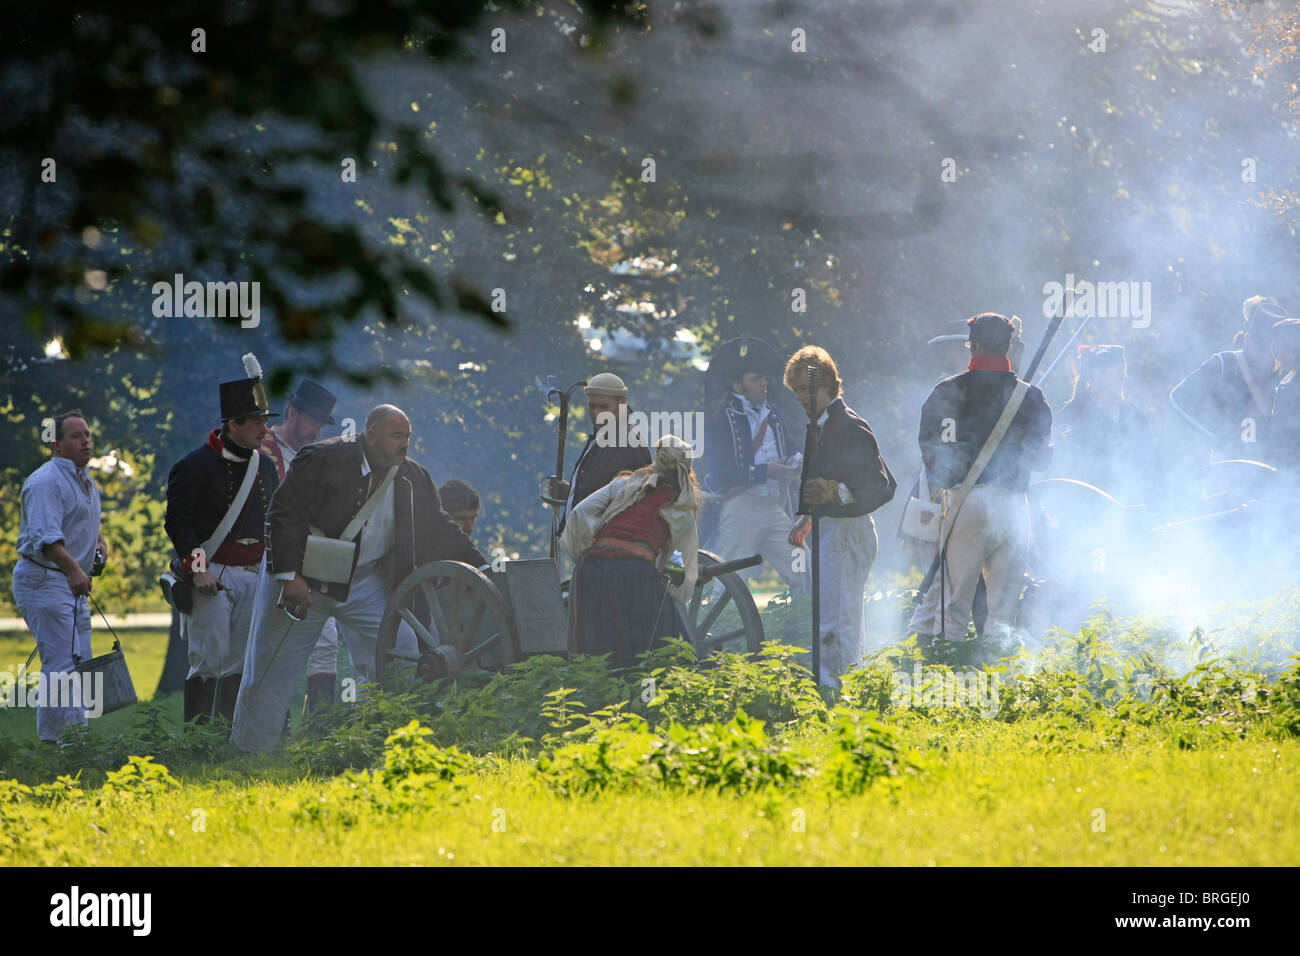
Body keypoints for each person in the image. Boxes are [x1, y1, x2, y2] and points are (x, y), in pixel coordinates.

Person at [232, 404, 485, 752]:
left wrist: (482, 567)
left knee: (401, 653)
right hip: (307, 576)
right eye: (397, 436)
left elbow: (441, 527)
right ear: (371, 434)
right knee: (270, 670)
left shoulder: (413, 476)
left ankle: (393, 743)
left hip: (366, 580)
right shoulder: (321, 459)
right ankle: (249, 753)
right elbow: (283, 514)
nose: (404, 444)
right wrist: (289, 578)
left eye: (408, 437)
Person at [907, 313, 1052, 646]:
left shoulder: (947, 391)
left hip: (966, 501)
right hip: (1015, 506)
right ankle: (999, 681)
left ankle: (949, 676)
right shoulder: (1031, 397)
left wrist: (953, 481)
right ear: (1007, 347)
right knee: (1002, 615)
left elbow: (931, 452)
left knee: (953, 606)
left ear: (976, 345)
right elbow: (1042, 458)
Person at [165, 361, 281, 724]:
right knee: (209, 658)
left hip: (255, 572)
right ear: (233, 425)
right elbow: (178, 523)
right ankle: (198, 741)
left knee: (240, 659)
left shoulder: (265, 467)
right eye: (257, 422)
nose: (265, 429)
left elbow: (273, 522)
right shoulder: (193, 466)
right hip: (210, 571)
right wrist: (198, 570)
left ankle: (232, 736)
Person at [783, 346, 897, 687]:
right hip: (832, 528)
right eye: (798, 390)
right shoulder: (821, 425)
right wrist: (810, 518)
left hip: (848, 532)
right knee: (836, 615)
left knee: (838, 619)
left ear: (829, 385)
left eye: (807, 389)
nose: (802, 397)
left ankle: (838, 691)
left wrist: (836, 493)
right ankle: (845, 685)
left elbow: (880, 486)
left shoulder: (847, 425)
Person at [560, 435, 699, 667]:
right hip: (634, 574)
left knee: (599, 653)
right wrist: (675, 593)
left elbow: (578, 515)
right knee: (672, 648)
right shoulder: (680, 506)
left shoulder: (623, 484)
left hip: (590, 570)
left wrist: (589, 551)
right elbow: (689, 570)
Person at [12, 410, 107, 742]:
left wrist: (98, 542)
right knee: (64, 664)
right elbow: (47, 538)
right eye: (76, 436)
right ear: (56, 444)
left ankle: (59, 741)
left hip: (70, 581)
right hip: (44, 579)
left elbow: (80, 522)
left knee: (76, 665)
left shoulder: (83, 478)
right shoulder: (45, 481)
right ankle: (71, 744)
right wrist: (74, 568)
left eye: (87, 434)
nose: (86, 441)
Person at [260, 379, 342, 714]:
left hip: (313, 561)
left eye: (321, 425)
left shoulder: (320, 456)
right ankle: (270, 728)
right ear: (292, 413)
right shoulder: (261, 449)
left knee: (326, 643)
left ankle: (321, 729)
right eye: (313, 422)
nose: (316, 431)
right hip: (266, 561)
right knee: (267, 649)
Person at [701, 351, 804, 595]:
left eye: (763, 378)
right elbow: (719, 473)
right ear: (738, 385)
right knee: (728, 586)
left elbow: (793, 448)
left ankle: (802, 626)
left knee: (803, 571)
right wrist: (766, 471)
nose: (763, 383)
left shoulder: (773, 415)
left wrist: (794, 462)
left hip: (772, 506)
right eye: (756, 379)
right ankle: (719, 631)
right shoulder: (722, 418)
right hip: (740, 508)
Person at [1170, 294, 1287, 458]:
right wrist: (1220, 432)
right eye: (1260, 345)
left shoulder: (1288, 374)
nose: (1265, 355)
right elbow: (1179, 399)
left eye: (1270, 347)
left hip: (1277, 472)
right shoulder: (1225, 363)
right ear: (1247, 339)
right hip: (1229, 469)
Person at [1052, 344, 1165, 507]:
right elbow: (1061, 472)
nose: (1124, 377)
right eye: (1119, 371)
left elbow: (1152, 467)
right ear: (1099, 374)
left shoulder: (1135, 417)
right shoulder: (1072, 416)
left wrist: (1162, 505)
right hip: (1086, 511)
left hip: (1133, 508)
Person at [550, 373, 652, 535]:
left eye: (604, 407)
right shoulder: (605, 436)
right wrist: (572, 492)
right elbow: (601, 491)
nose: (596, 413)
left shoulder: (626, 444)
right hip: (593, 547)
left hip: (608, 549)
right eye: (592, 406)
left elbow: (624, 505)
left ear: (622, 403)